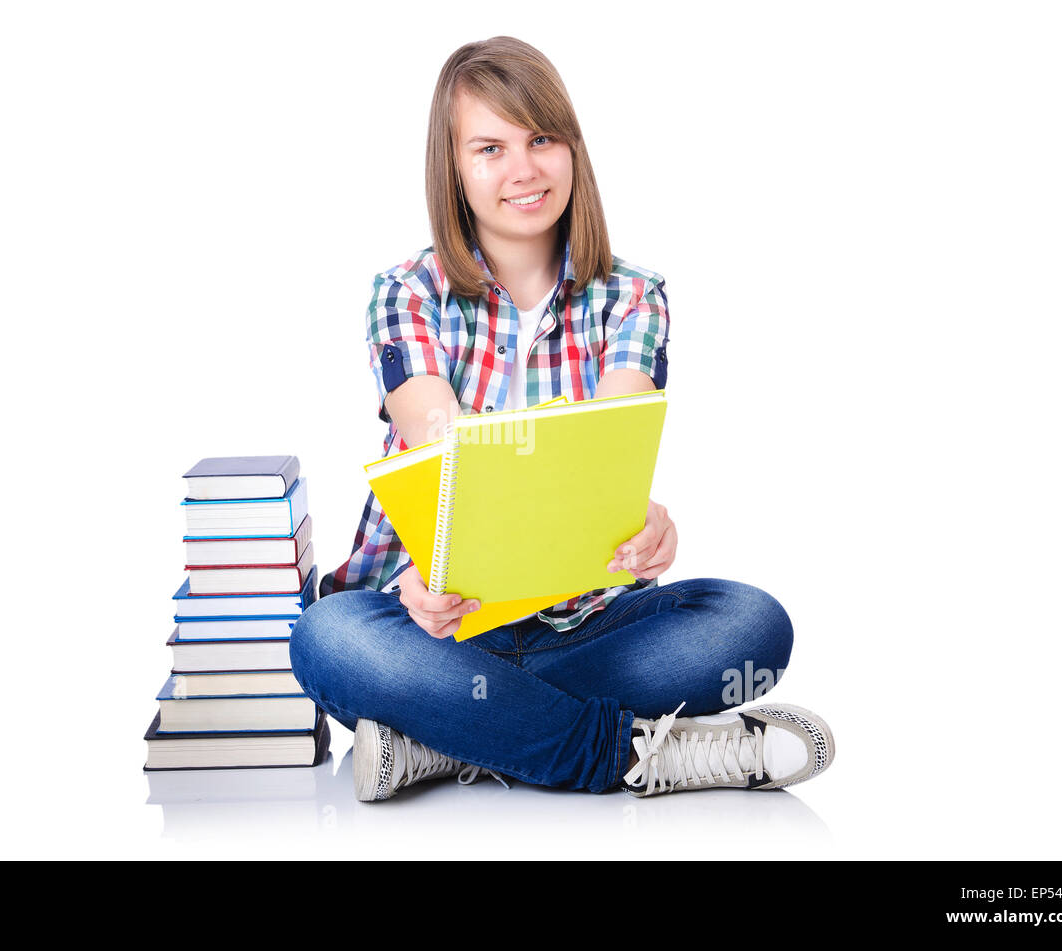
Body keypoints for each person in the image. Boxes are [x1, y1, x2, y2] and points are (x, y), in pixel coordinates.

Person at [290, 36, 834, 801]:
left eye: (542, 138)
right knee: (326, 635)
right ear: (454, 169)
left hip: (579, 628)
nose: (523, 169)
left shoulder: (632, 296)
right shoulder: (406, 291)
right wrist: (435, 574)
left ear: (572, 148)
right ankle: (631, 754)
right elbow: (433, 433)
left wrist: (639, 522)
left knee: (747, 624)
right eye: (490, 148)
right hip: (423, 625)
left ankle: (449, 738)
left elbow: (609, 444)